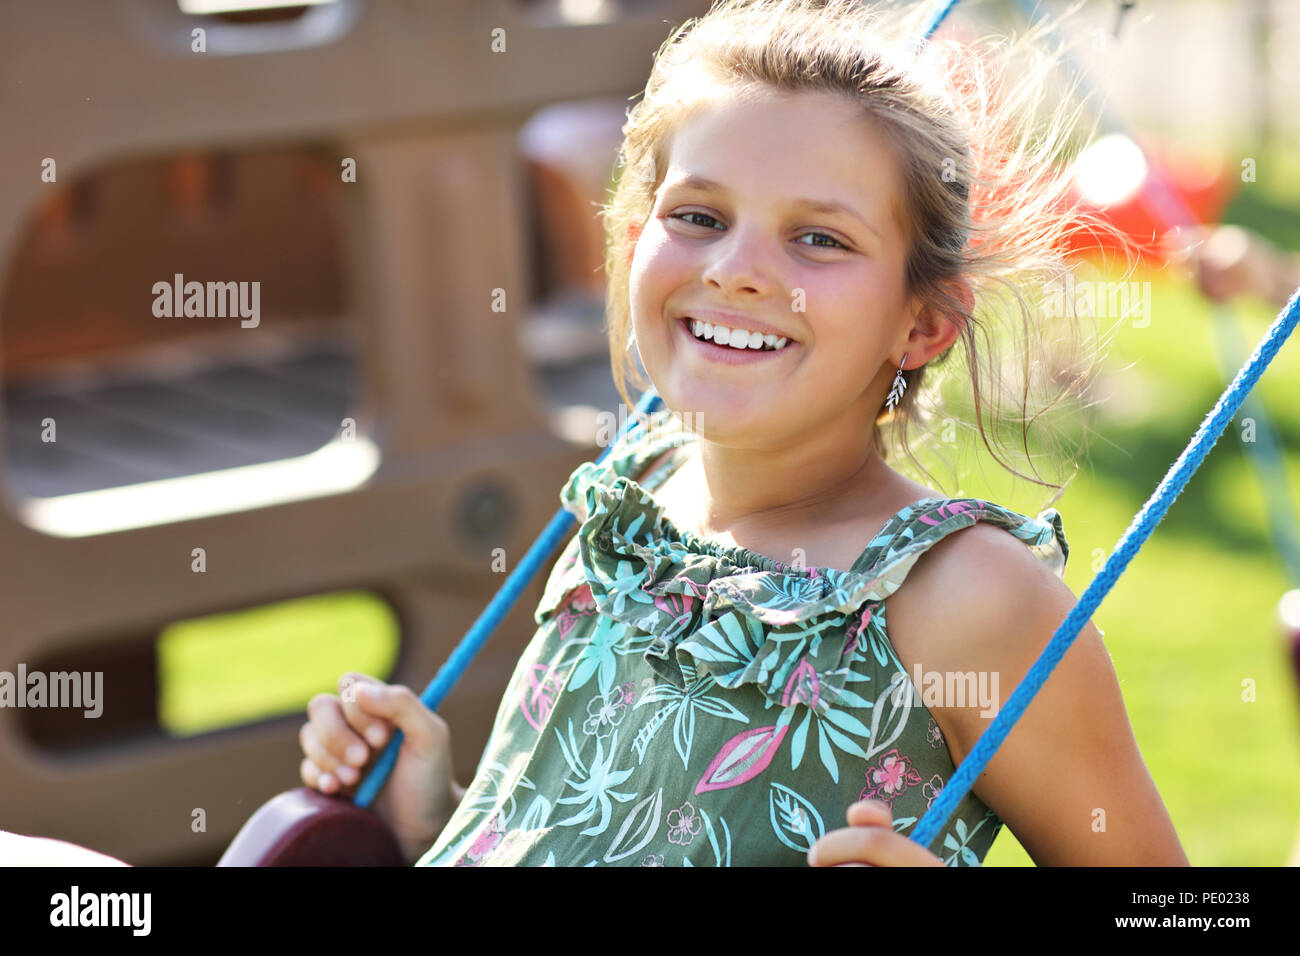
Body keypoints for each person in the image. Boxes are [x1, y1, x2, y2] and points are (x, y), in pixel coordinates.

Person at [300, 0, 1187, 866]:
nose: (738, 272)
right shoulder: (632, 504)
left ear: (921, 325)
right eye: (699, 217)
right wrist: (440, 821)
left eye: (818, 238)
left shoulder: (967, 600)